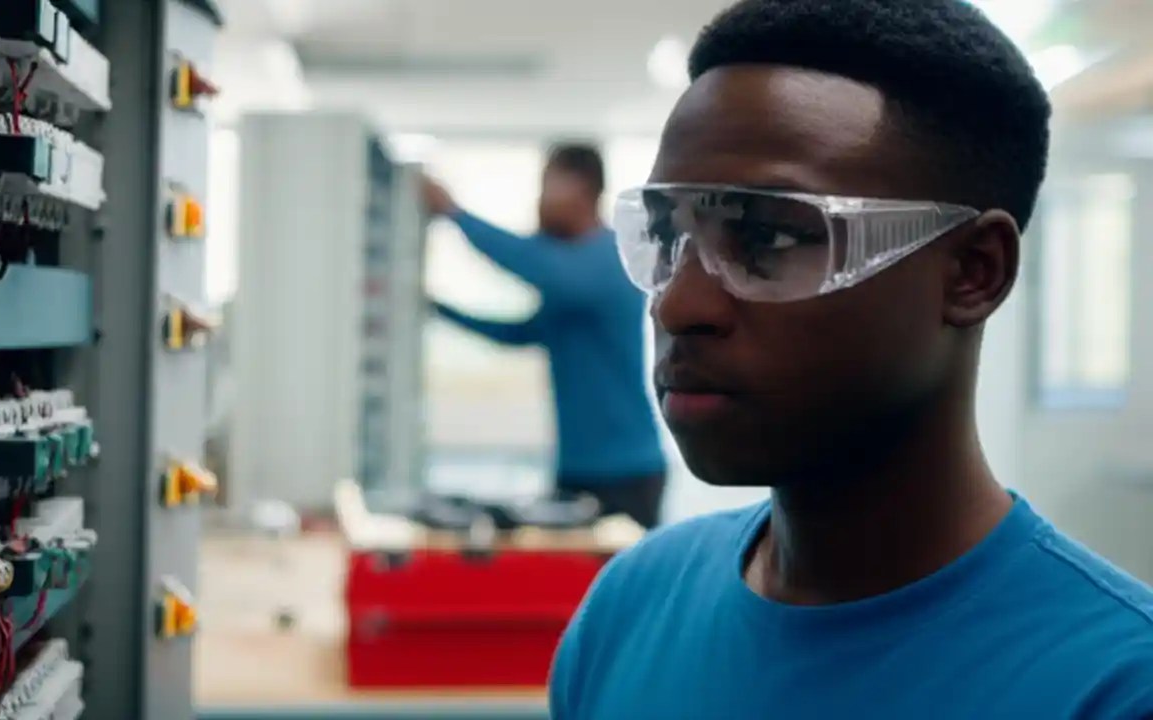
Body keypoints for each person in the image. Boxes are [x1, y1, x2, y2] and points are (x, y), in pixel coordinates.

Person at [550, 1, 1153, 718]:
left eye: (770, 239)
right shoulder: (630, 609)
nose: (678, 305)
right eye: (667, 236)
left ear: (974, 273)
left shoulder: (1115, 687)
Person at [423, 144, 667, 528]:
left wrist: (455, 214)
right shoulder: (569, 276)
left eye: (549, 184)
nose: (540, 199)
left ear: (584, 188)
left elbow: (533, 263)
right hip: (574, 469)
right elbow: (516, 332)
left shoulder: (609, 259)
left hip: (628, 471)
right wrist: (435, 308)